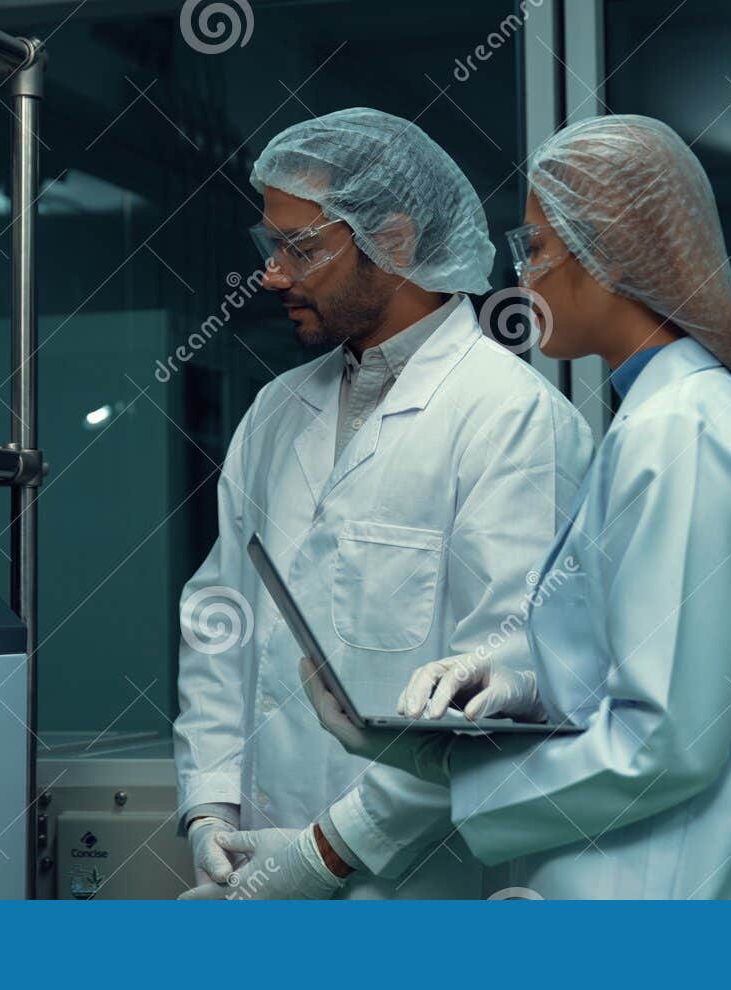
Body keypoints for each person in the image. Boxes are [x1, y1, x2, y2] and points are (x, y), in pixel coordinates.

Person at [292, 114, 731, 899]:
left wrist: (458, 778)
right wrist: (514, 674)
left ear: (612, 252)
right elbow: (626, 651)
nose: (523, 278)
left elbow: (668, 740)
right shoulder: (652, 419)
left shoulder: (683, 428)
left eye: (536, 247)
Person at [173, 107, 593, 900]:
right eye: (271, 247)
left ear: (394, 243)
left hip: (416, 889)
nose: (272, 276)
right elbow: (220, 620)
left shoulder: (511, 419)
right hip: (254, 870)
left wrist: (323, 857)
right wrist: (210, 809)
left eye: (301, 249)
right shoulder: (275, 412)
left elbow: (500, 700)